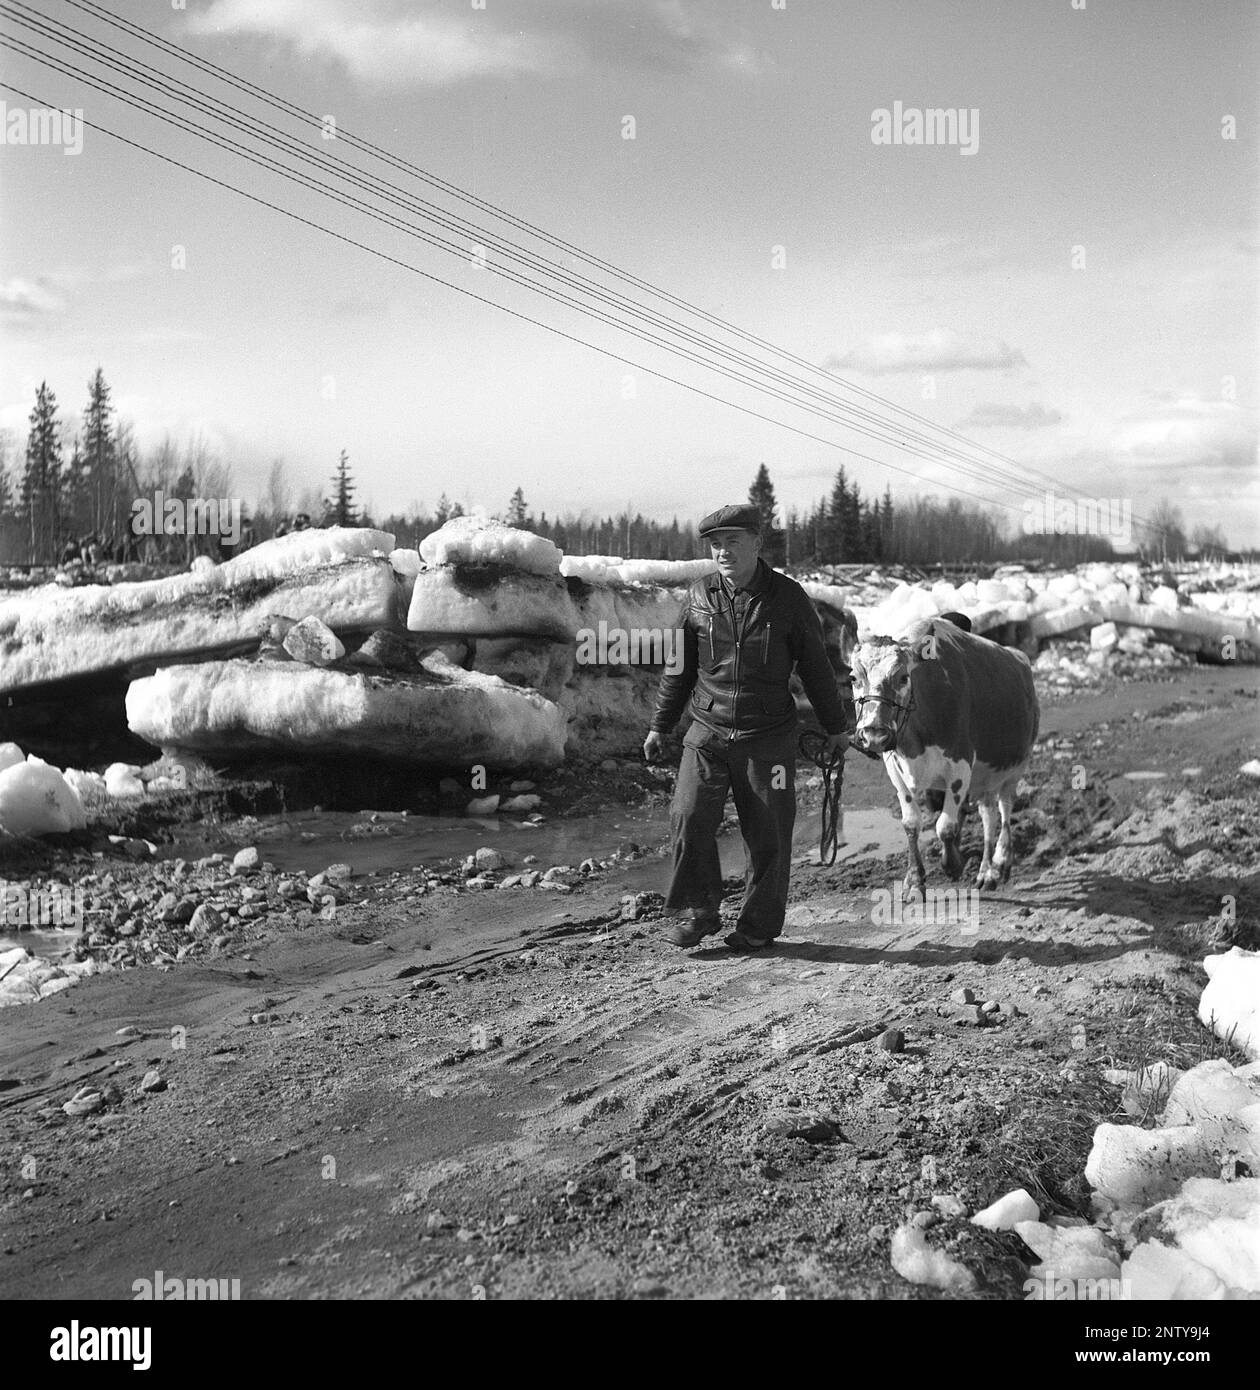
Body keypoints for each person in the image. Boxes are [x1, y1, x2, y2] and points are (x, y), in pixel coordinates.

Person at [643, 504, 853, 952]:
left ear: (758, 543)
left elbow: (816, 668)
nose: (722, 552)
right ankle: (695, 912)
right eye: (716, 544)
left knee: (769, 831)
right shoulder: (700, 597)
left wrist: (836, 726)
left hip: (769, 737)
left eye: (732, 542)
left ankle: (758, 924)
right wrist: (661, 726)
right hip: (707, 730)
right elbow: (678, 668)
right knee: (688, 814)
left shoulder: (789, 598)